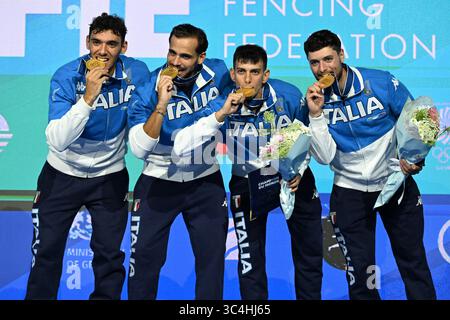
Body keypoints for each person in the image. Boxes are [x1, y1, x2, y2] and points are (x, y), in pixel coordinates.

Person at [173, 44, 323, 300]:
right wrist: (220, 115)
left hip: (293, 178)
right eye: (242, 72)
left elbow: (307, 136)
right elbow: (182, 146)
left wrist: (299, 169)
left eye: (255, 72)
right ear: (233, 74)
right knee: (249, 260)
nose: (248, 79)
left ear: (266, 75)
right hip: (247, 181)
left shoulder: (287, 95)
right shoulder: (222, 103)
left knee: (309, 251)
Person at [25, 13, 150, 300]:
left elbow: (142, 122)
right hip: (61, 176)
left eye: (111, 44)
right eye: (96, 42)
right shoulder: (67, 76)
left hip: (109, 178)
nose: (103, 51)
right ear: (87, 42)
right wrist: (88, 97)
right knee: (46, 253)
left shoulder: (138, 73)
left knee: (109, 256)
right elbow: (57, 140)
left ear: (124, 47)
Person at [304, 29, 436, 300]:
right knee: (360, 276)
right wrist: (316, 116)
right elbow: (324, 157)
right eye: (314, 62)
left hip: (394, 184)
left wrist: (414, 160)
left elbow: (417, 121)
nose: (322, 68)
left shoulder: (380, 82)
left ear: (341, 55)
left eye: (328, 59)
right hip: (349, 193)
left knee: (414, 264)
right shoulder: (314, 100)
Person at [126, 23, 233, 300]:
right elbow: (138, 148)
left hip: (205, 182)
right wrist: (161, 104)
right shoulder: (149, 86)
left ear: (201, 57)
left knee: (211, 265)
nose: (175, 62)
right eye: (172, 53)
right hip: (157, 182)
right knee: (144, 265)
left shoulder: (219, 72)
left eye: (185, 56)